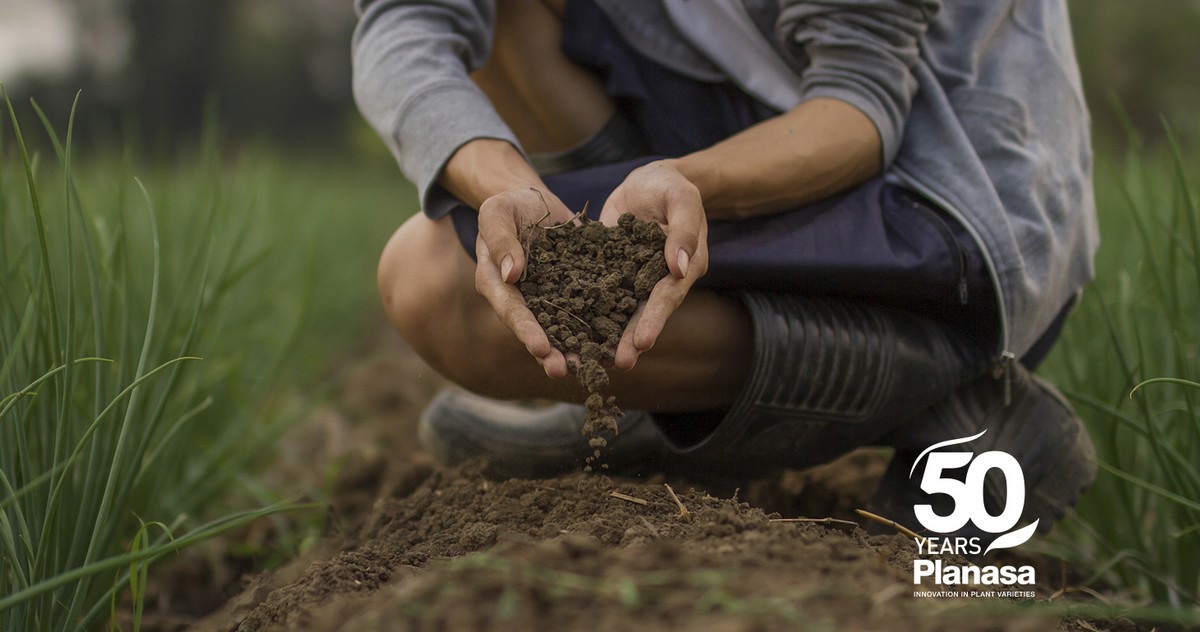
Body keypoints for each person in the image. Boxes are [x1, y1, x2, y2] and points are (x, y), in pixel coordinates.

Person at [352, 0, 1098, 536]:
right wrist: (507, 186)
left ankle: (955, 397)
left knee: (437, 287)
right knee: (507, 22)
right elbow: (404, 21)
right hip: (748, 113)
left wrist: (692, 183)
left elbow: (861, 98)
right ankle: (668, 392)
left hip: (943, 187)